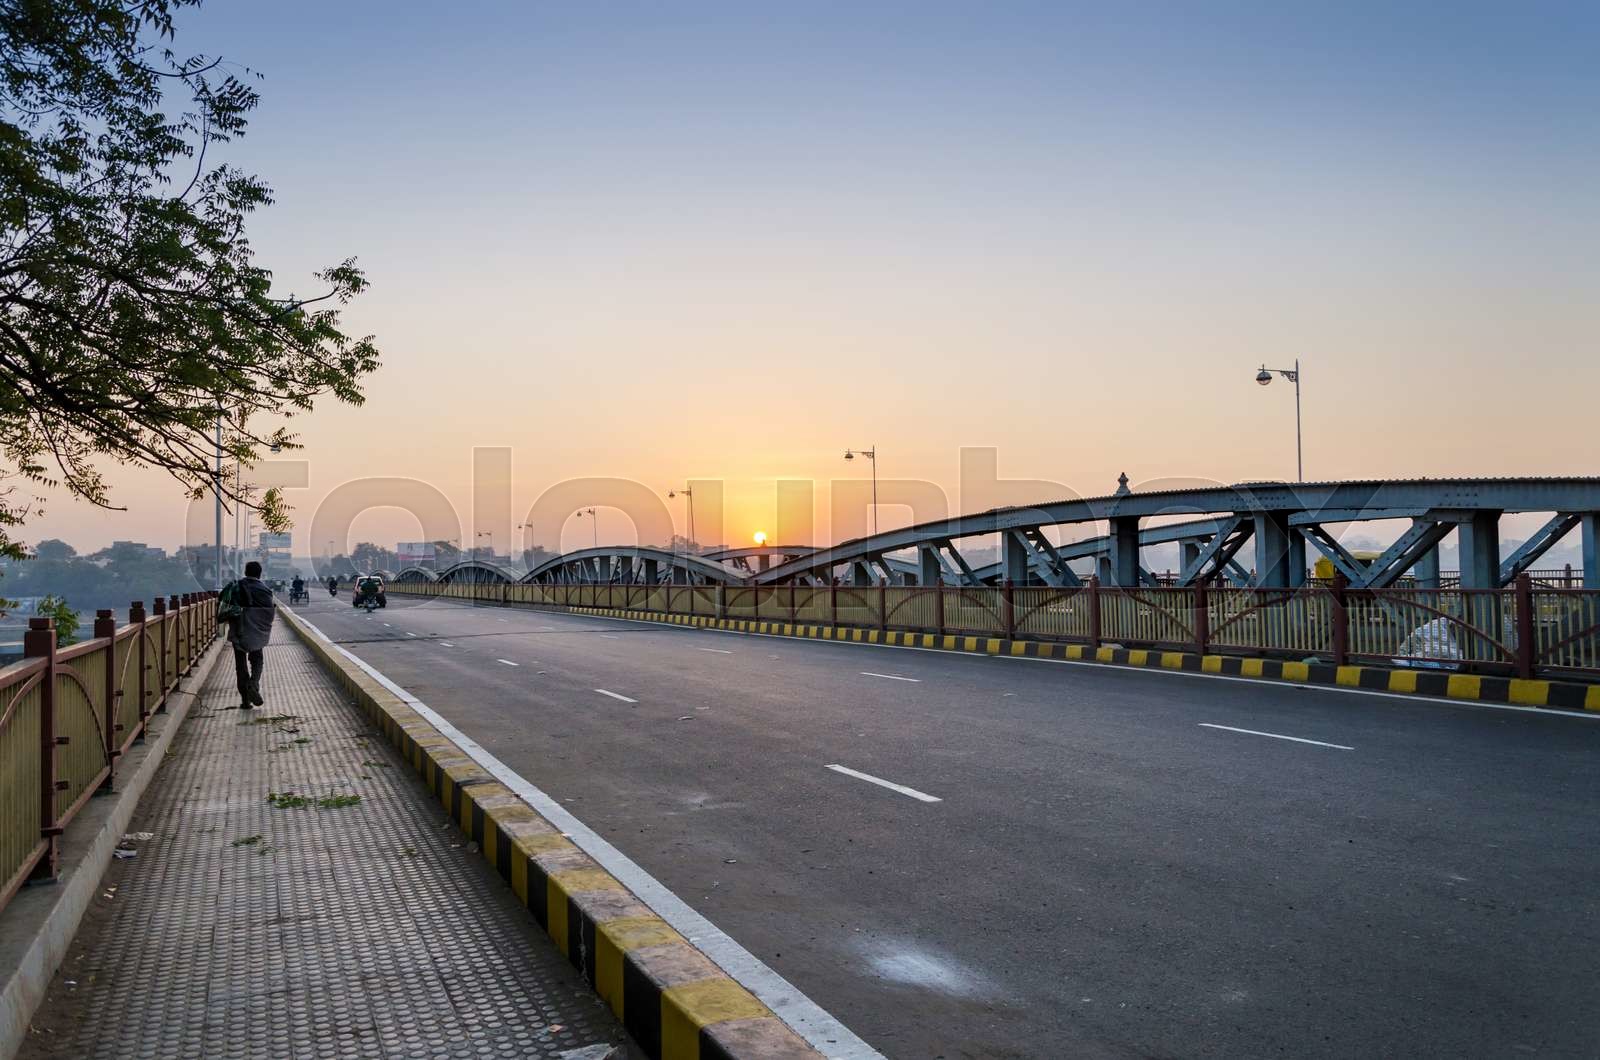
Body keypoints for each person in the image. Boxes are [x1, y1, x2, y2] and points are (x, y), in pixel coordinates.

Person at [223, 560, 276, 709]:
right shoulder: (264, 590)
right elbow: (269, 612)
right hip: (256, 632)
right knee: (257, 660)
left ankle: (245, 701)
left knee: (240, 666)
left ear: (245, 572)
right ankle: (254, 683)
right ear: (259, 574)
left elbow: (227, 607)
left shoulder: (236, 586)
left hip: (238, 630)